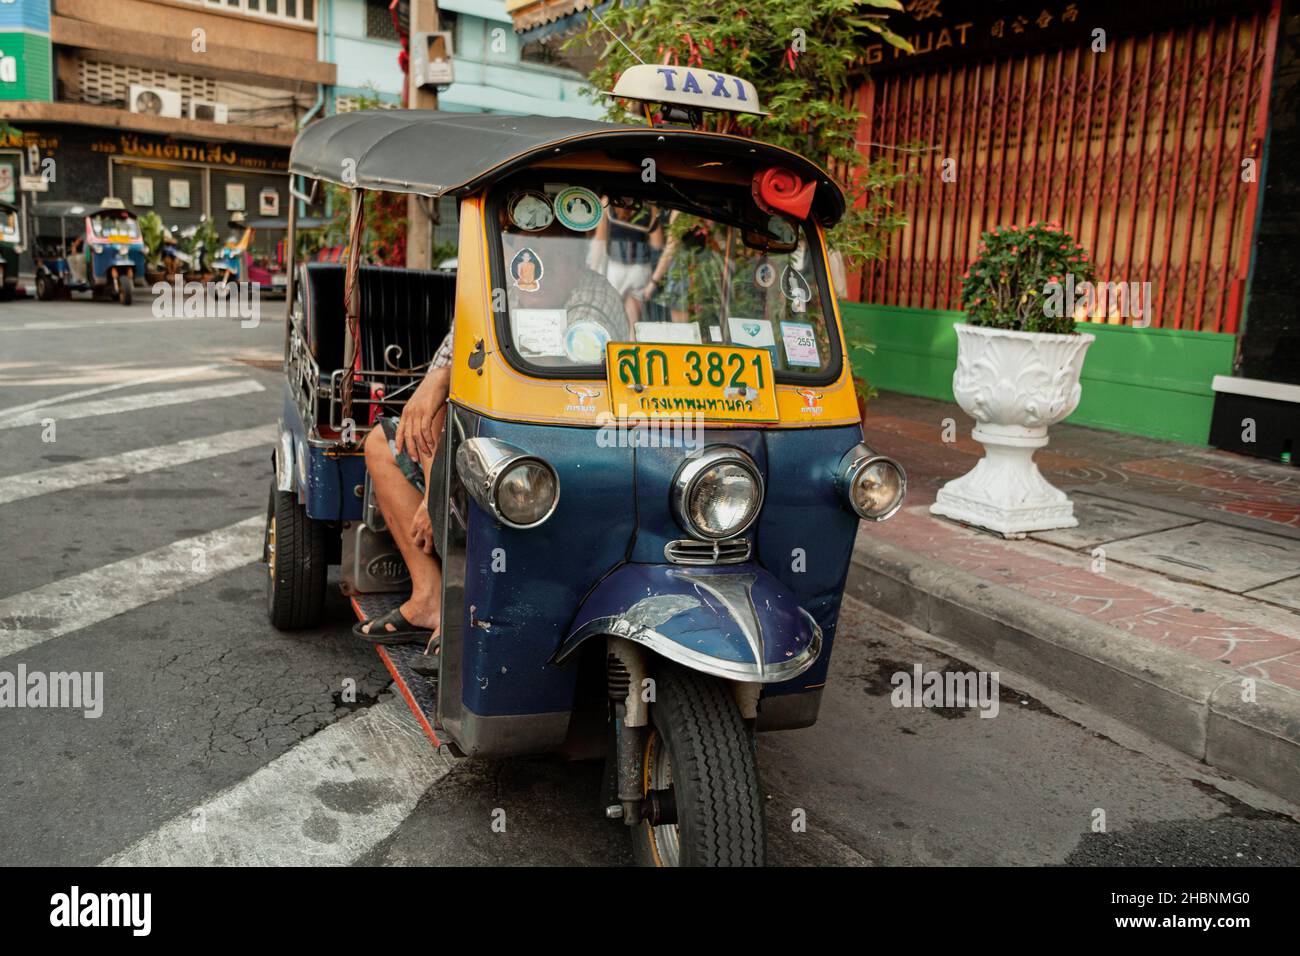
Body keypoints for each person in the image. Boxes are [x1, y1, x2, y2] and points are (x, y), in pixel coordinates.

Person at [353, 324, 455, 675]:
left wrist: (436, 498)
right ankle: (429, 599)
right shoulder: (485, 290)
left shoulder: (589, 301)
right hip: (456, 438)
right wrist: (433, 494)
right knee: (383, 444)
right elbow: (432, 412)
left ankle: (466, 613)